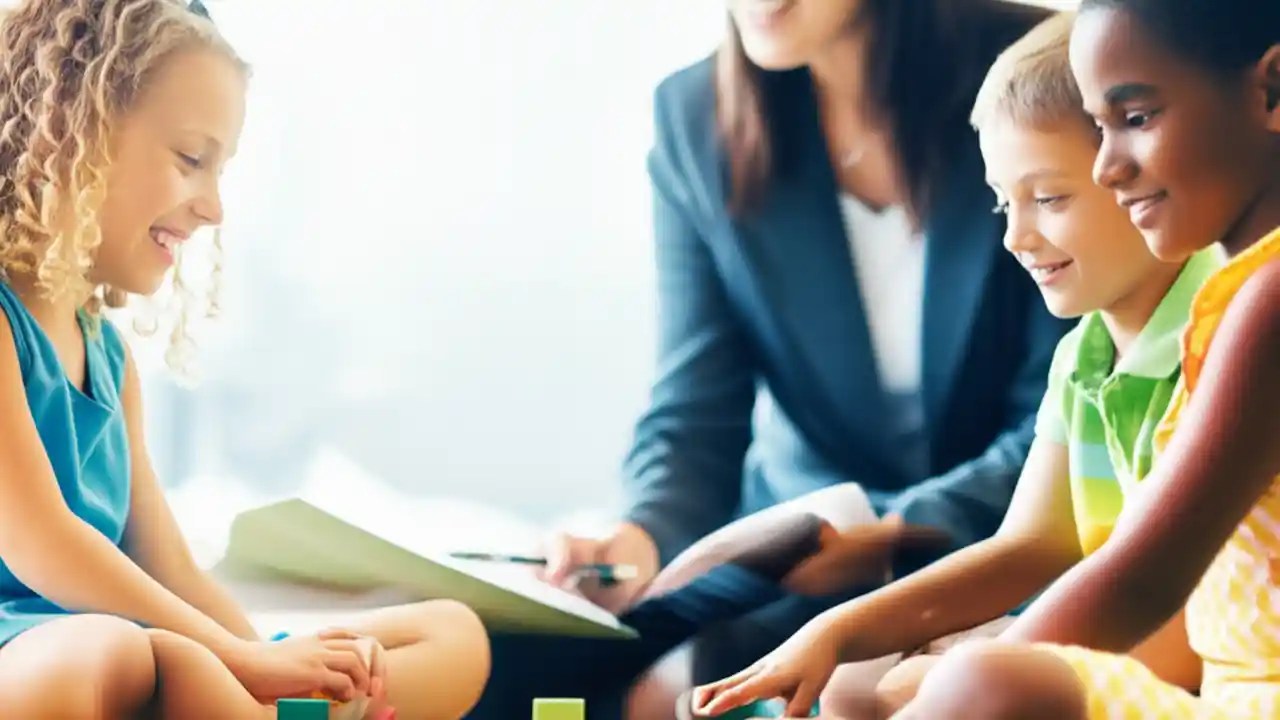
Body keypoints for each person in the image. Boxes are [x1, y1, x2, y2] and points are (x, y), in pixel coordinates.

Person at [472, 1, 1069, 716]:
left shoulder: (1039, 76)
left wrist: (886, 537)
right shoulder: (696, 117)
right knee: (540, 673)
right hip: (791, 553)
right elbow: (696, 409)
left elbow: (1067, 410)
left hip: (998, 540)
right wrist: (639, 533)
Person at [690, 13, 1216, 718]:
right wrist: (831, 632)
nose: (1017, 237)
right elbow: (1031, 545)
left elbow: (1196, 629)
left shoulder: (1217, 339)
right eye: (1004, 203)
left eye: (1049, 199)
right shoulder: (1086, 354)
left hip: (1190, 658)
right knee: (850, 679)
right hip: (1112, 640)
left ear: (1139, 174)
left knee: (951, 687)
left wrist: (988, 659)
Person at [0, 2, 489, 718]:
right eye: (192, 161)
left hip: (153, 652)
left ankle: (272, 708)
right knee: (119, 655)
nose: (214, 208)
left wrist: (265, 657)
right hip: (41, 654)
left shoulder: (107, 354)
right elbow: (46, 547)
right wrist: (240, 661)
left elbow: (164, 560)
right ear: (73, 128)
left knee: (452, 634)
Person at [889, 0, 1280, 717]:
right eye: (1100, 129)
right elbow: (1039, 544)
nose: (1109, 165)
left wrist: (965, 685)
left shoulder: (1268, 305)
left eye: (1137, 119)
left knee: (983, 684)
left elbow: (1140, 583)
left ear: (1272, 91)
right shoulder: (1232, 301)